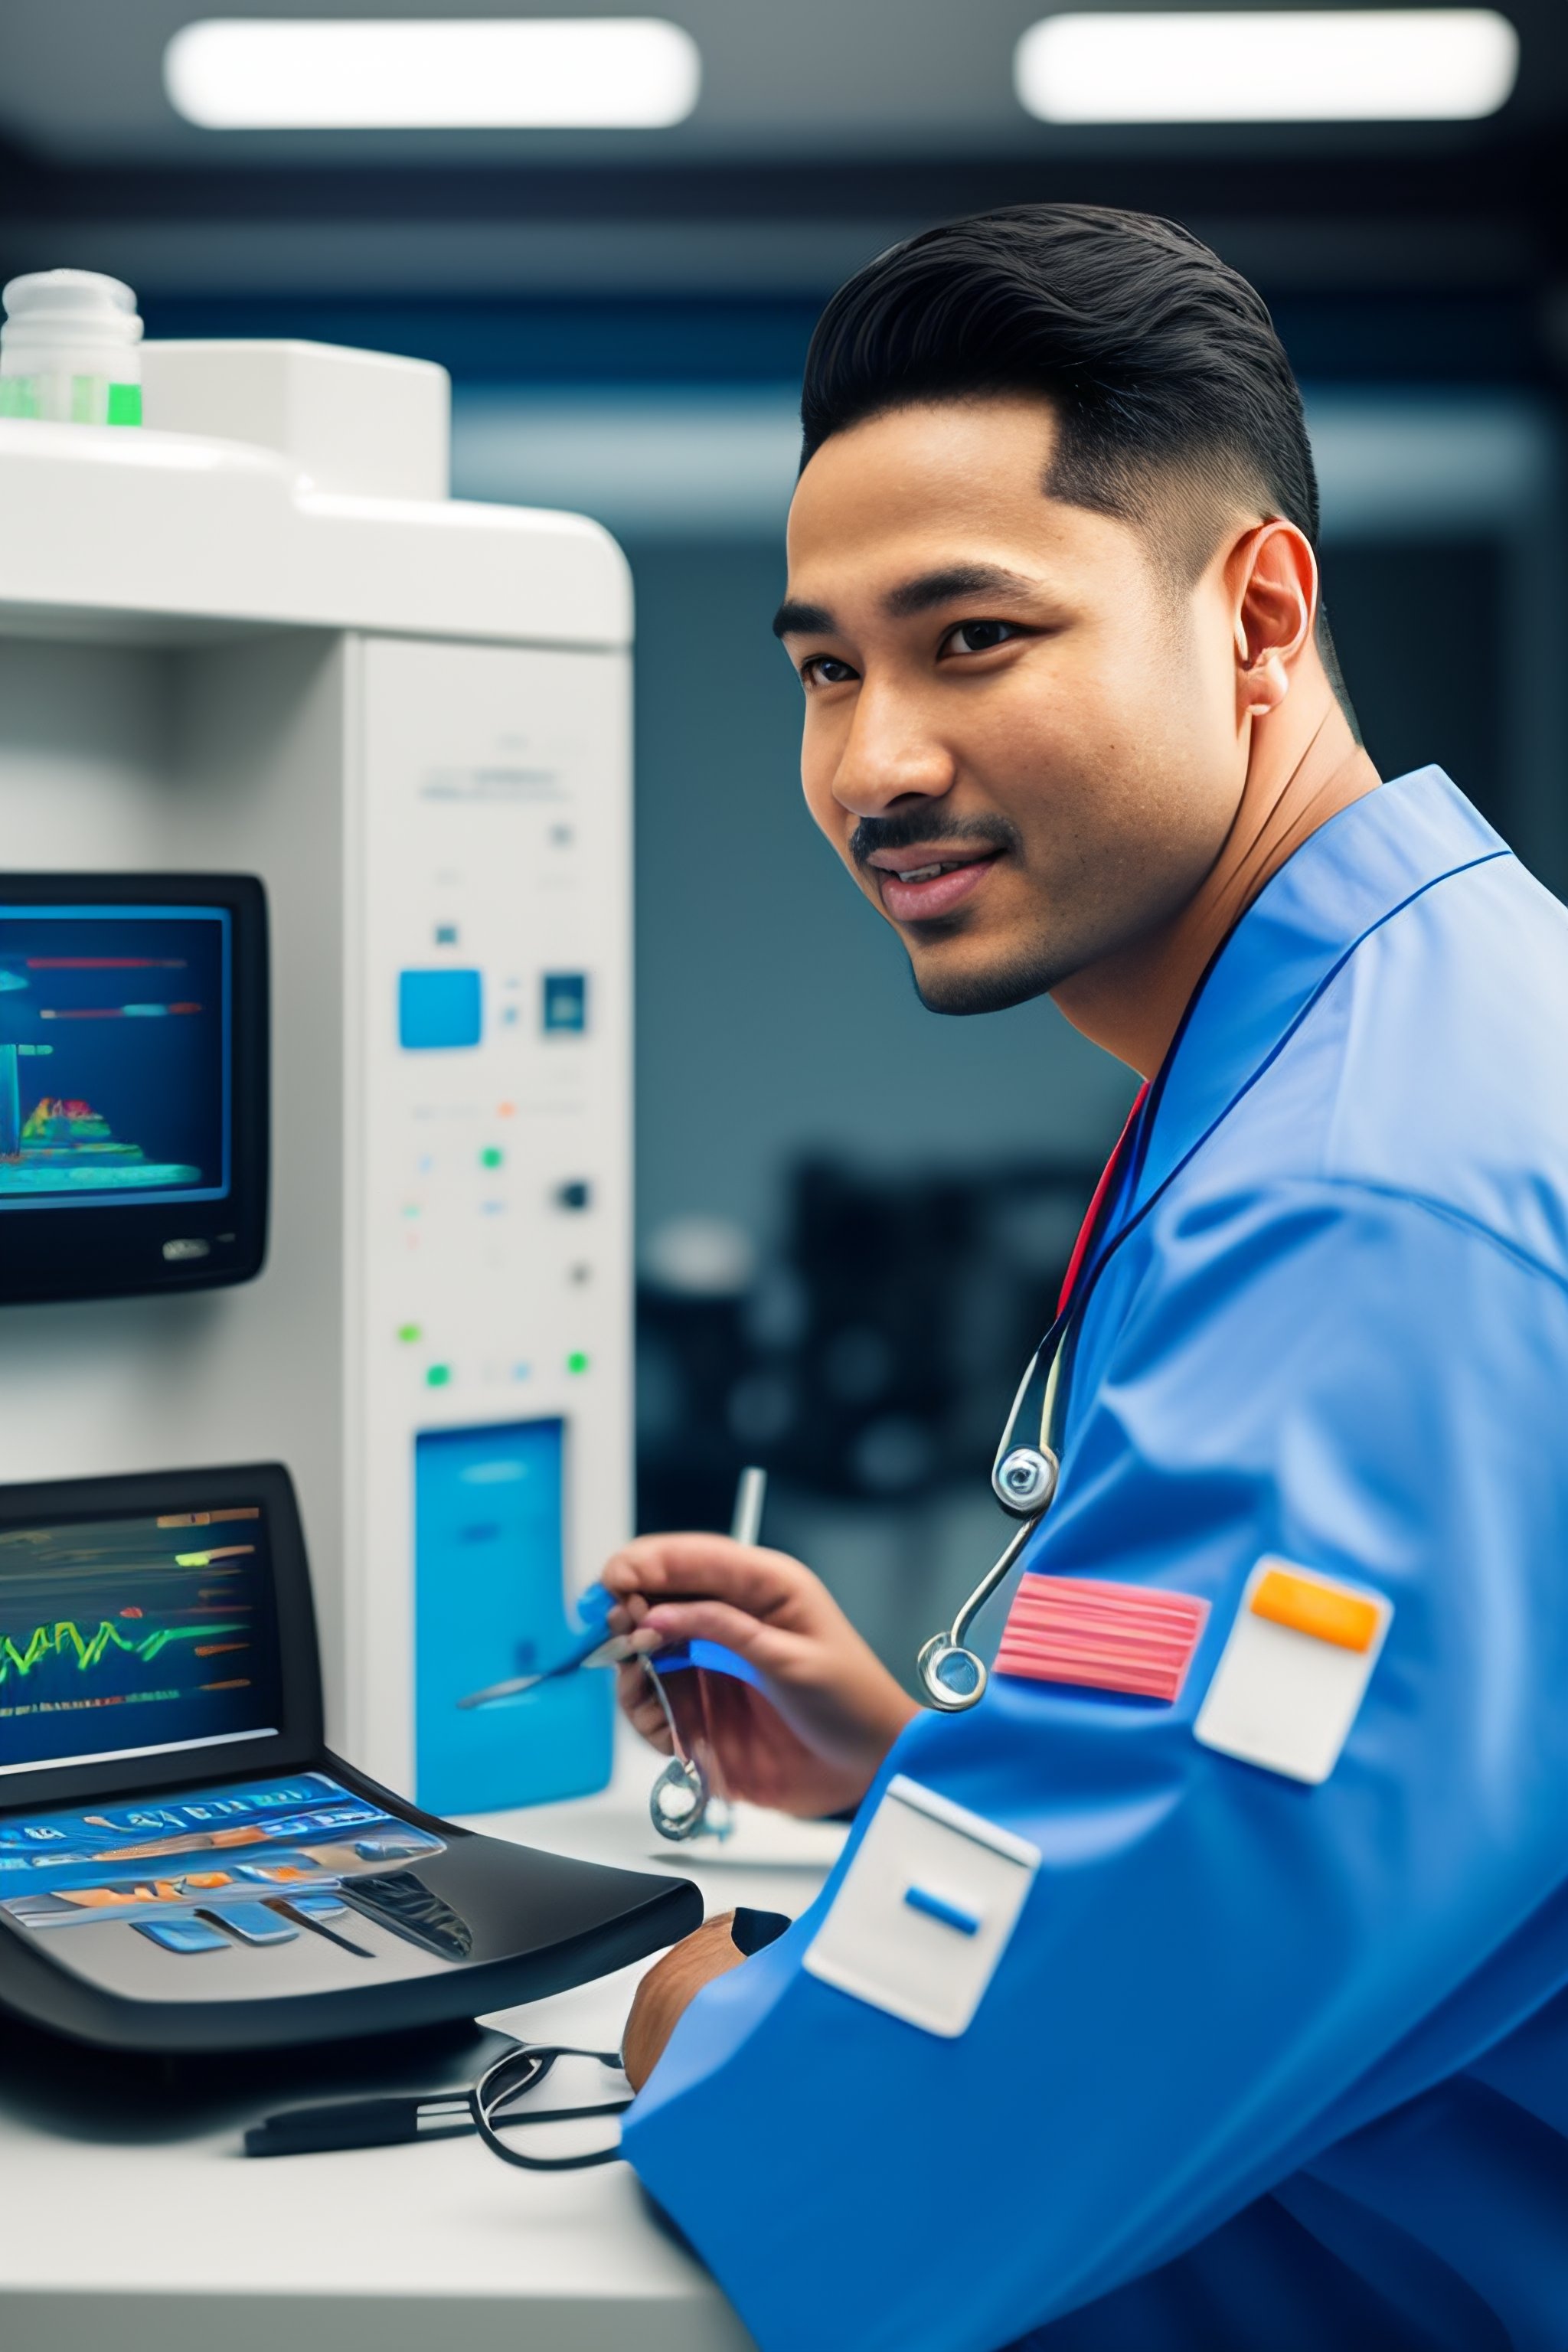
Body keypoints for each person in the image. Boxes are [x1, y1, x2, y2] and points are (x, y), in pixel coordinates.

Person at [602, 207, 1568, 2352]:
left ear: (1256, 612)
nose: (873, 766)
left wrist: (713, 2029)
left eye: (972, 640)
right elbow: (1369, 1788)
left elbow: (995, 2085)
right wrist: (917, 1764)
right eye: (827, 669)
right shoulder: (1380, 1034)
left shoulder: (1368, 1194)